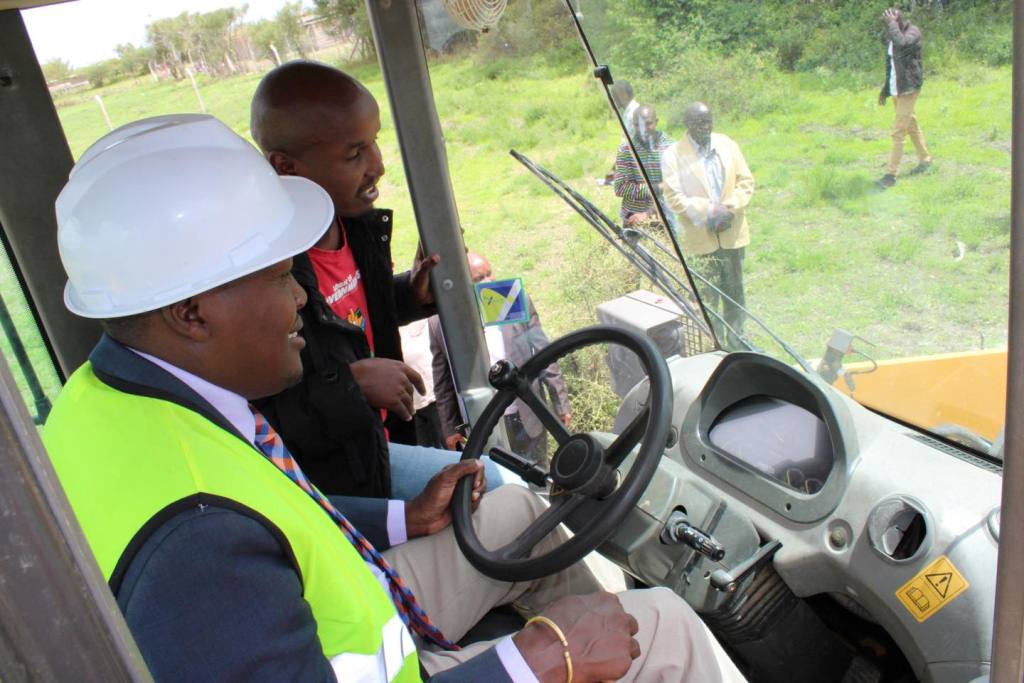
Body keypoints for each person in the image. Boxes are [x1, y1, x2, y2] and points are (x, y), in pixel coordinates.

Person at [43, 113, 745, 683]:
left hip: (339, 612)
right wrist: (537, 662)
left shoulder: (112, 396)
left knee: (514, 513)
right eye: (282, 278)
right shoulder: (196, 548)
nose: (301, 300)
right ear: (192, 314)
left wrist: (403, 517)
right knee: (665, 623)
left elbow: (274, 518)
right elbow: (229, 536)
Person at [249, 60, 506, 501]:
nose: (379, 166)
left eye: (375, 143)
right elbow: (269, 415)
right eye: (355, 154)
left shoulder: (355, 229)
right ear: (286, 167)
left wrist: (409, 294)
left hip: (381, 437)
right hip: (339, 472)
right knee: (496, 486)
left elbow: (347, 313)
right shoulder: (268, 273)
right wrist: (352, 387)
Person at [429, 252, 571, 468]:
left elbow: (544, 353)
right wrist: (449, 428)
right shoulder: (440, 323)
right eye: (479, 279)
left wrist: (561, 404)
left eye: (489, 273)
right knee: (498, 476)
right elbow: (443, 381)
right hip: (484, 422)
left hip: (526, 413)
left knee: (538, 471)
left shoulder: (513, 301)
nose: (489, 282)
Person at [660, 102, 755, 349]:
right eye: (699, 122)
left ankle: (737, 341)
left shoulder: (727, 144)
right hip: (700, 239)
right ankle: (715, 347)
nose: (705, 127)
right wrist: (709, 211)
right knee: (708, 297)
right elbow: (673, 197)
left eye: (708, 121)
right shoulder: (672, 155)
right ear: (687, 124)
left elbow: (745, 181)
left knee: (735, 292)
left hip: (731, 232)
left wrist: (729, 208)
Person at [876, 7, 932, 189]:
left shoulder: (913, 32)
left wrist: (892, 24)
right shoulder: (891, 36)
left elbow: (902, 43)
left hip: (908, 88)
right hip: (897, 88)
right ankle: (925, 160)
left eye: (891, 22)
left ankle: (891, 175)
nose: (888, 26)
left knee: (898, 132)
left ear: (898, 20)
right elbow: (891, 66)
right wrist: (885, 90)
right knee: (911, 125)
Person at [613, 104, 677, 232]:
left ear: (656, 122)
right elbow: (620, 187)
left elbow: (676, 188)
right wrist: (654, 188)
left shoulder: (671, 148)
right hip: (633, 220)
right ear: (633, 125)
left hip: (665, 219)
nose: (643, 129)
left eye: (648, 124)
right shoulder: (626, 150)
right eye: (638, 125)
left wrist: (649, 214)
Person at [400, 318, 446, 449]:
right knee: (424, 449)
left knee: (447, 448)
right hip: (415, 404)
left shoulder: (433, 324)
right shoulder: (399, 333)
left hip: (436, 400)